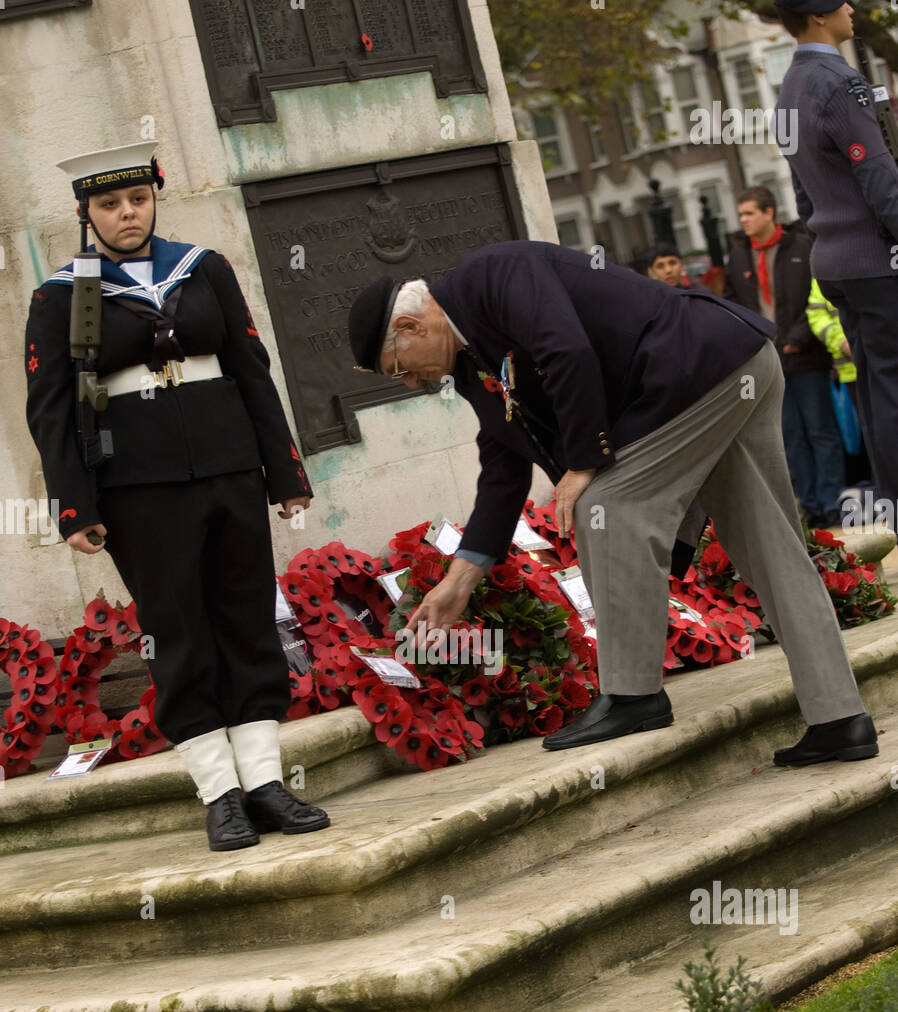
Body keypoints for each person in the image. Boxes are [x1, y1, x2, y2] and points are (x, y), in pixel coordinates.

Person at [348, 240, 877, 765]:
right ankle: (840, 718)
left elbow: (565, 350)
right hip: (726, 369)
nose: (413, 382)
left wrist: (582, 465)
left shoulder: (491, 273)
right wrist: (458, 581)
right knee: (771, 551)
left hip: (701, 367)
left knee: (604, 505)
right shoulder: (470, 363)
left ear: (414, 327)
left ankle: (633, 694)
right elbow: (504, 469)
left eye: (400, 369)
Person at [25, 142, 330, 851]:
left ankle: (264, 782)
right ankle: (218, 793)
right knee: (177, 630)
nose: (127, 214)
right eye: (109, 204)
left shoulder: (205, 269)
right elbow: (49, 408)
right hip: (138, 489)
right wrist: (75, 506)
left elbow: (252, 370)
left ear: (155, 198)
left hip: (228, 470)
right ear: (86, 213)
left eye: (137, 199)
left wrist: (285, 475)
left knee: (248, 622)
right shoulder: (64, 294)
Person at [774, 0, 898, 517]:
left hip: (834, 260)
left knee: (875, 385)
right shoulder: (841, 81)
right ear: (820, 15)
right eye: (843, 1)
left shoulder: (786, 91)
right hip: (875, 257)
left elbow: (802, 193)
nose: (852, 8)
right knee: (891, 383)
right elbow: (879, 175)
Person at [724, 185, 845, 528]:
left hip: (805, 358)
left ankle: (832, 501)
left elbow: (817, 296)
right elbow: (732, 305)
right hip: (766, 363)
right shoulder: (738, 256)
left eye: (749, 213)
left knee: (821, 431)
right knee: (789, 436)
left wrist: (796, 339)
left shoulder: (801, 246)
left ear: (769, 212)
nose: (743, 220)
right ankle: (809, 507)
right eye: (741, 214)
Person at [805, 276, 877, 510]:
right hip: (850, 368)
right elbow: (816, 315)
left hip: (880, 362)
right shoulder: (824, 272)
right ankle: (883, 489)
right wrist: (841, 341)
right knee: (871, 434)